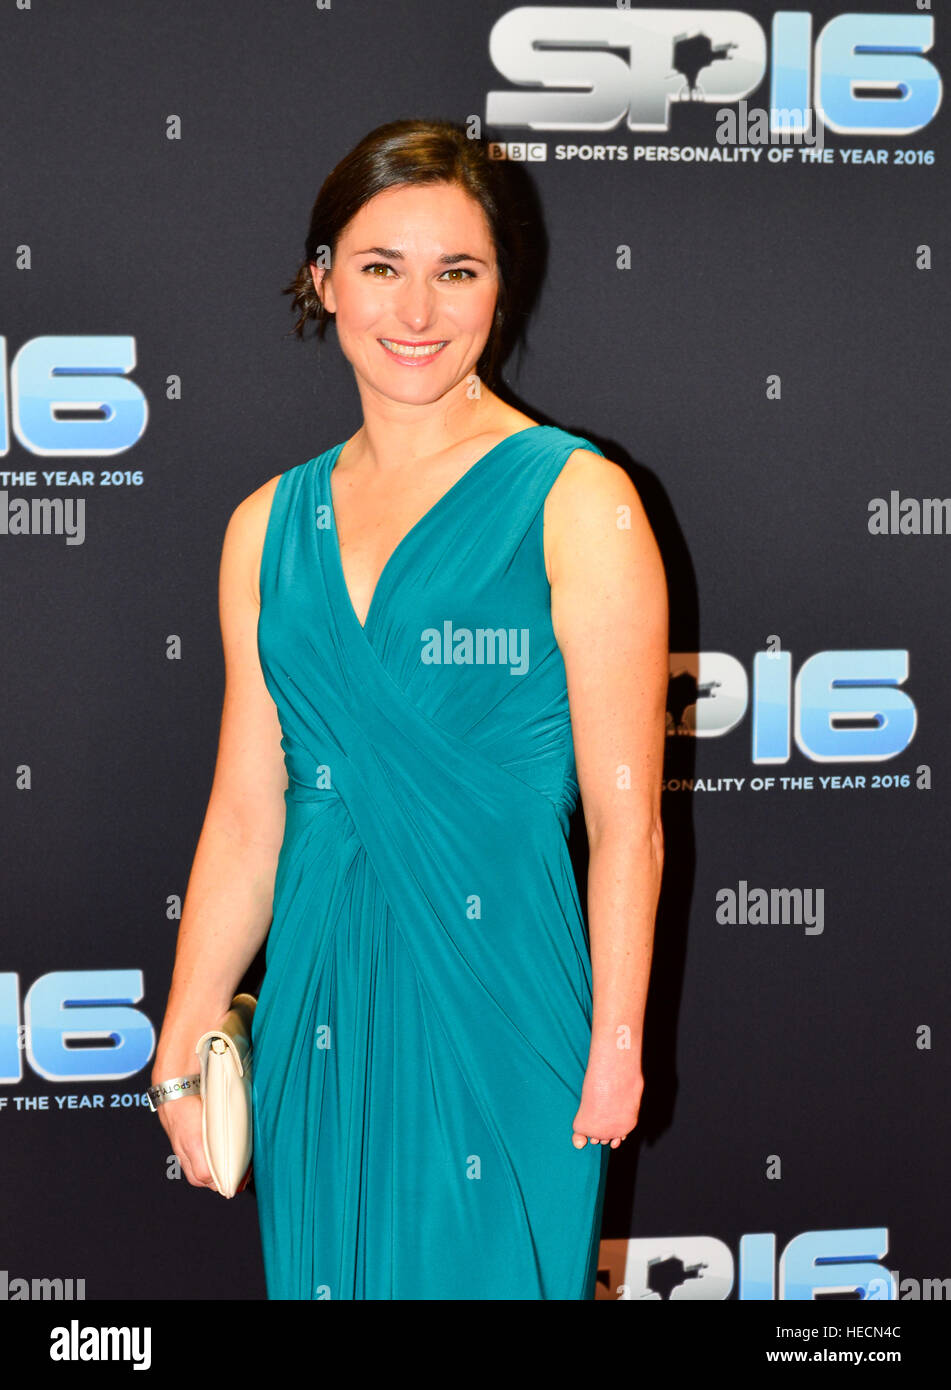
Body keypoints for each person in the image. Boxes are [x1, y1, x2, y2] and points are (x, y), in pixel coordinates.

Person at [151, 118, 668, 1300]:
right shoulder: (263, 528)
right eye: (381, 266)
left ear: (502, 289)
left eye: (459, 271)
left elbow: (626, 816)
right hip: (320, 1006)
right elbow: (247, 810)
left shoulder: (579, 500)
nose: (417, 310)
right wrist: (181, 1036)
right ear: (325, 278)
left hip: (507, 1003)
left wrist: (619, 1042)